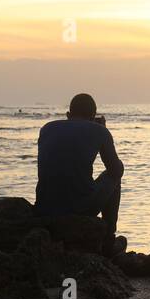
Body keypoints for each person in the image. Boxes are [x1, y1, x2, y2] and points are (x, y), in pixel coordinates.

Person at [35, 93, 124, 252]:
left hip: (44, 207)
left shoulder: (47, 128)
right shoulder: (99, 131)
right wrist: (102, 130)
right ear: (93, 116)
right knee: (114, 176)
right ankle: (108, 241)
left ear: (68, 115)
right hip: (79, 209)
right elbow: (116, 170)